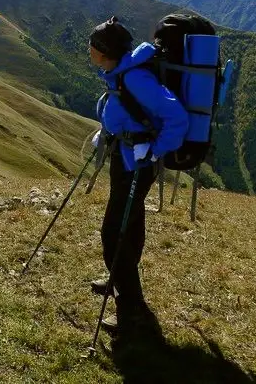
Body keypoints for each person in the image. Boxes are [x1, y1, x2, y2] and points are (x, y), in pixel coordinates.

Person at [88, 16, 189, 333]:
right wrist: (108, 132)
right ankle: (120, 277)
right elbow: (127, 113)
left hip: (137, 164)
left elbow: (176, 117)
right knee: (129, 226)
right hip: (126, 158)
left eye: (93, 46)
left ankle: (131, 311)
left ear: (105, 51)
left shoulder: (135, 79)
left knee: (113, 233)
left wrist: (156, 150)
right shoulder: (118, 74)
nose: (88, 50)